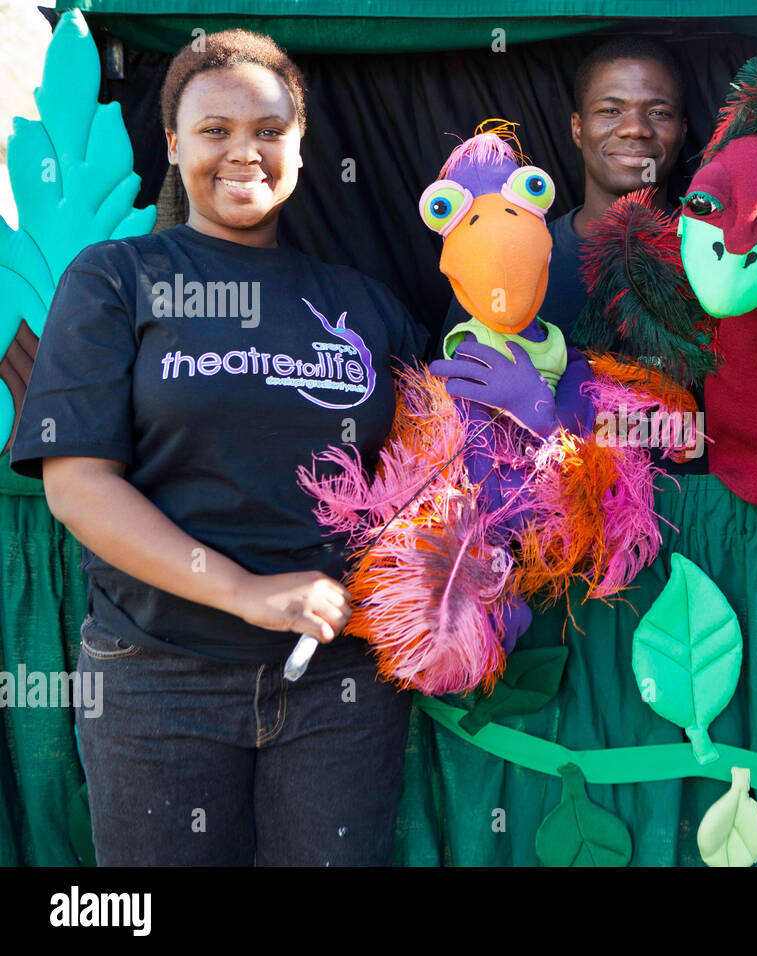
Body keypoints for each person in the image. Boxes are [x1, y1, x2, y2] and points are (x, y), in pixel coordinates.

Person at [8, 30, 430, 866]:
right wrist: (243, 592)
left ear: (301, 151)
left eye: (270, 132)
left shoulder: (365, 304)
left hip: (340, 686)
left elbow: (428, 471)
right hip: (159, 677)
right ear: (173, 145)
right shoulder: (115, 279)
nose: (245, 152)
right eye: (215, 131)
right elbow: (78, 484)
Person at [439, 35, 688, 343]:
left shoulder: (715, 258)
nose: (635, 128)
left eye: (659, 113)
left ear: (682, 130)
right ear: (577, 128)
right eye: (611, 111)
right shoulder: (508, 255)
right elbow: (450, 383)